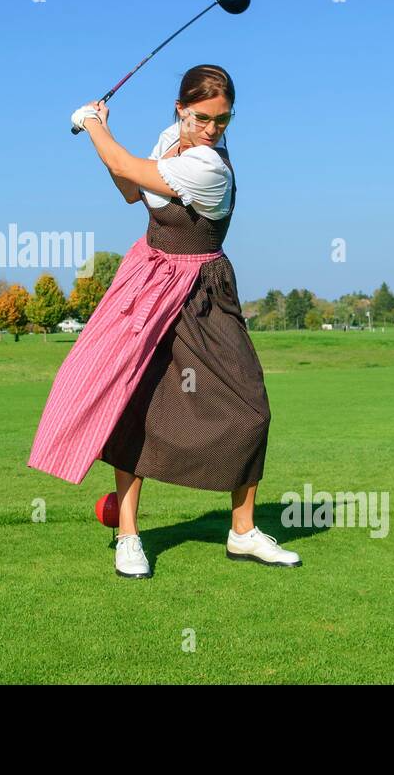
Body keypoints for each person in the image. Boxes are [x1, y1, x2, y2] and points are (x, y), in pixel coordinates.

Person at [27, 64, 300, 578]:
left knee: (251, 409)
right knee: (131, 403)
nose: (213, 130)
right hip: (148, 282)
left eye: (224, 120)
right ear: (181, 109)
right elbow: (131, 187)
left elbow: (126, 163)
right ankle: (128, 535)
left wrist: (94, 124)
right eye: (203, 118)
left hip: (202, 292)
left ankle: (242, 531)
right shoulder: (167, 139)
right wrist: (99, 132)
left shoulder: (210, 168)